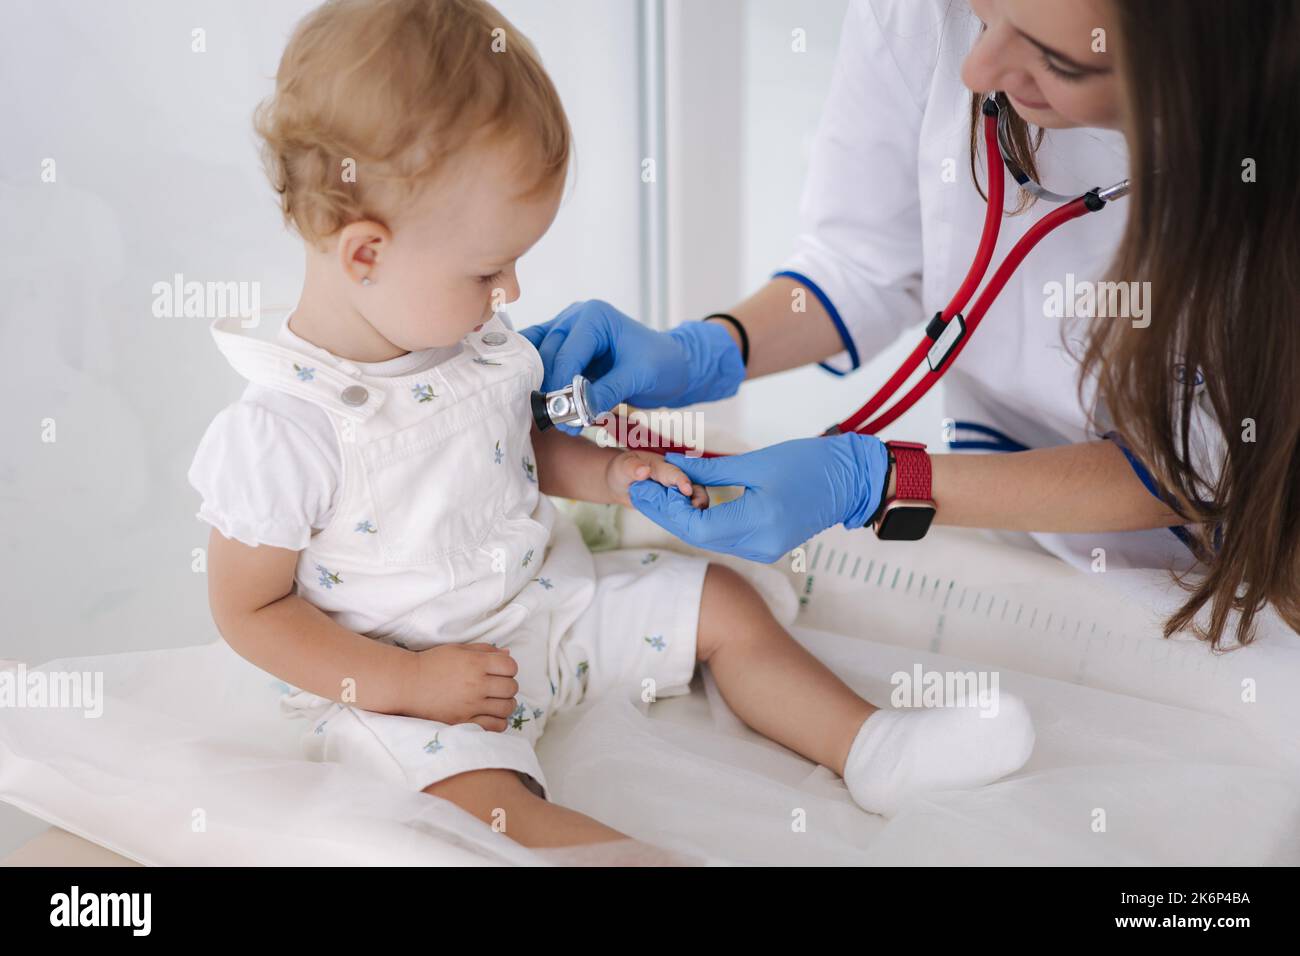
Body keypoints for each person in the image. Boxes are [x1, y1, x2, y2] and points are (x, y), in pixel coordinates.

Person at [187, 0, 1035, 853]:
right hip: (413, 681)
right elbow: (250, 611)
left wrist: (610, 476)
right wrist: (409, 682)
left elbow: (512, 446)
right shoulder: (283, 430)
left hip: (550, 609)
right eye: (488, 269)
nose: (510, 292)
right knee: (479, 806)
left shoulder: (462, 338)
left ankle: (874, 748)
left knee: (724, 605)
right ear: (365, 254)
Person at [524, 0, 1300, 649]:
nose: (976, 71)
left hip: (1232, 574)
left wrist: (881, 481)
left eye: (1058, 62)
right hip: (1011, 529)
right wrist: (703, 351)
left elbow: (1198, 459)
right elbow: (862, 260)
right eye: (983, 9)